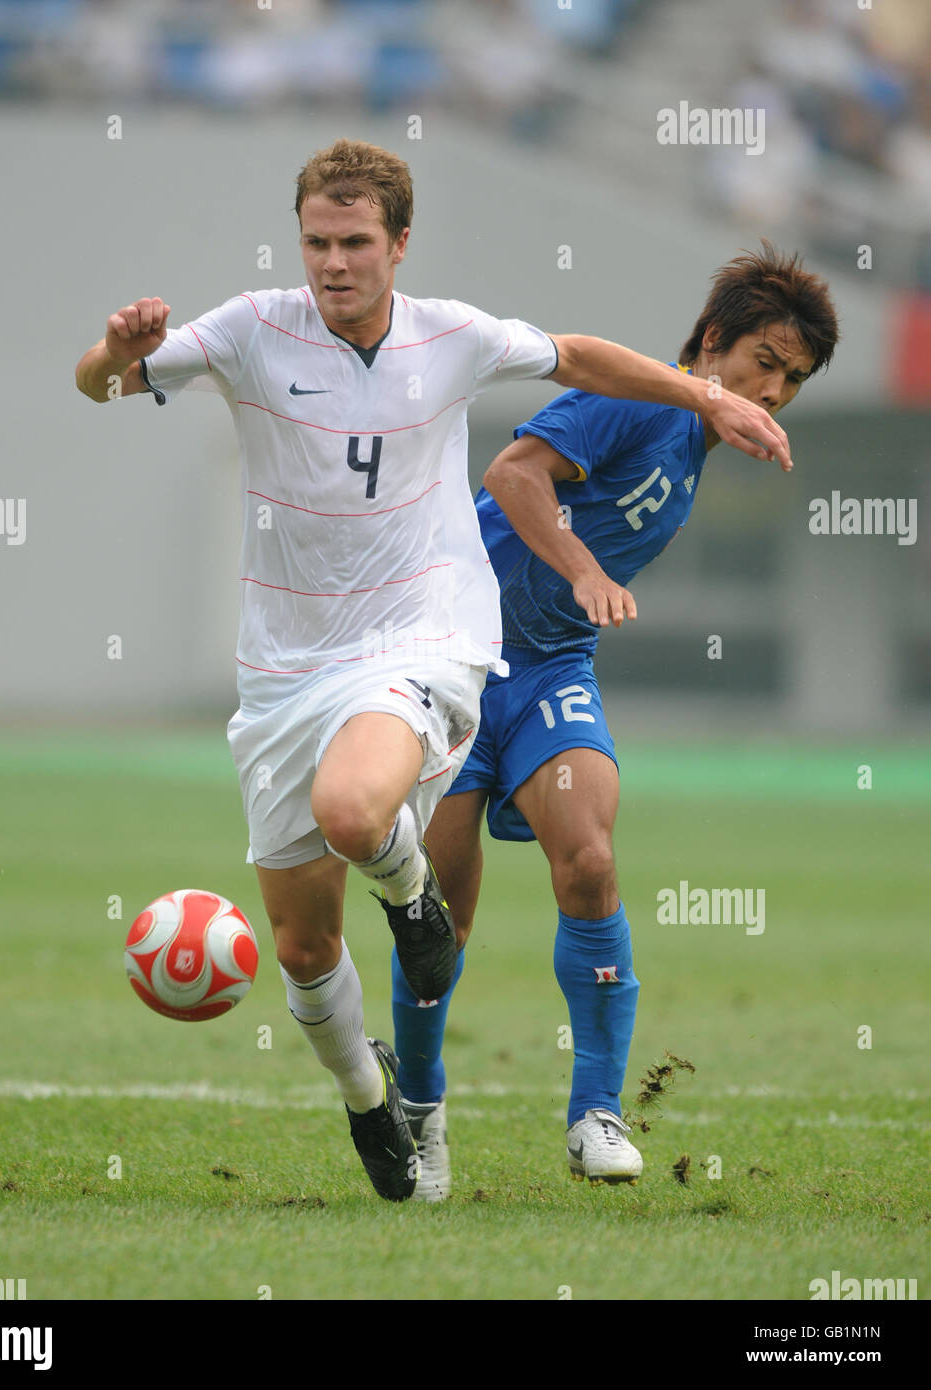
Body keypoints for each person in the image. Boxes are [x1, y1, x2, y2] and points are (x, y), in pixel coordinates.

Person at [74, 139, 791, 1203]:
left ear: (398, 245)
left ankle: (422, 920)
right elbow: (104, 387)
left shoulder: (448, 335)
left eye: (355, 242)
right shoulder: (248, 329)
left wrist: (707, 399)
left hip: (419, 637)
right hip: (281, 665)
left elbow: (579, 353)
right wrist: (108, 349)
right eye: (317, 241)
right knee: (303, 945)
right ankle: (371, 1096)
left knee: (362, 811)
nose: (332, 262)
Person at [397, 242, 839, 1200]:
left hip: (552, 668)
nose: (777, 386)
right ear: (712, 343)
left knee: (590, 861)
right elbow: (516, 473)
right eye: (763, 359)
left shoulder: (693, 448)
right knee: (442, 919)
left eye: (795, 377)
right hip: (453, 660)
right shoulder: (644, 398)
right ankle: (420, 1111)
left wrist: (580, 588)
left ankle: (596, 1113)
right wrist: (586, 571)